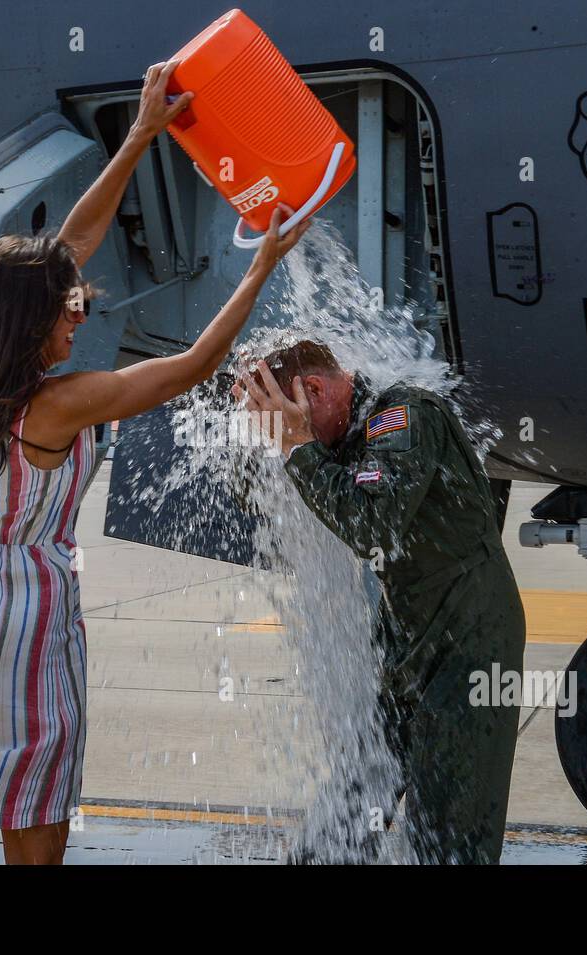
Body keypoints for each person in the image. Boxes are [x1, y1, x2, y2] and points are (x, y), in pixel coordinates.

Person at [0, 60, 309, 865]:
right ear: (32, 321)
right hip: (19, 630)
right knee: (37, 823)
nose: (78, 318)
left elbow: (67, 248)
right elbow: (187, 368)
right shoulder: (57, 403)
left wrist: (143, 135)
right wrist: (258, 270)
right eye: (67, 311)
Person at [235, 341, 526, 864]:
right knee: (346, 811)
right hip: (405, 635)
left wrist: (299, 446)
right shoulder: (353, 428)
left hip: (468, 640)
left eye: (274, 421)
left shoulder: (403, 416)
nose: (270, 439)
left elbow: (372, 526)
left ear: (316, 390)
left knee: (448, 832)